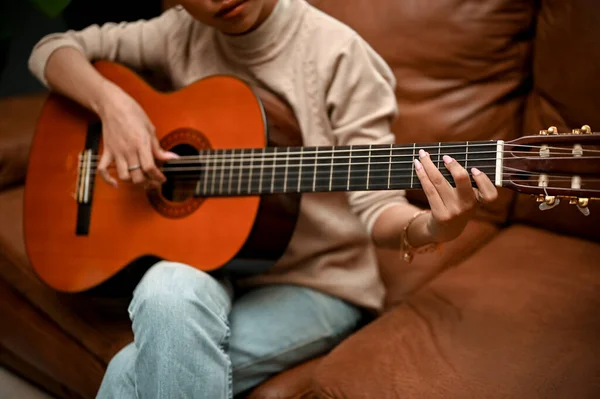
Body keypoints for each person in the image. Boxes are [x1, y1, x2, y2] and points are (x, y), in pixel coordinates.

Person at [28, 0, 498, 397]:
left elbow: (378, 210)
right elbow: (51, 49)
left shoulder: (337, 53)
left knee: (125, 377)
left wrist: (436, 227)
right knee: (164, 284)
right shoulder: (177, 33)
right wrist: (115, 106)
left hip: (317, 286)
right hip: (211, 264)